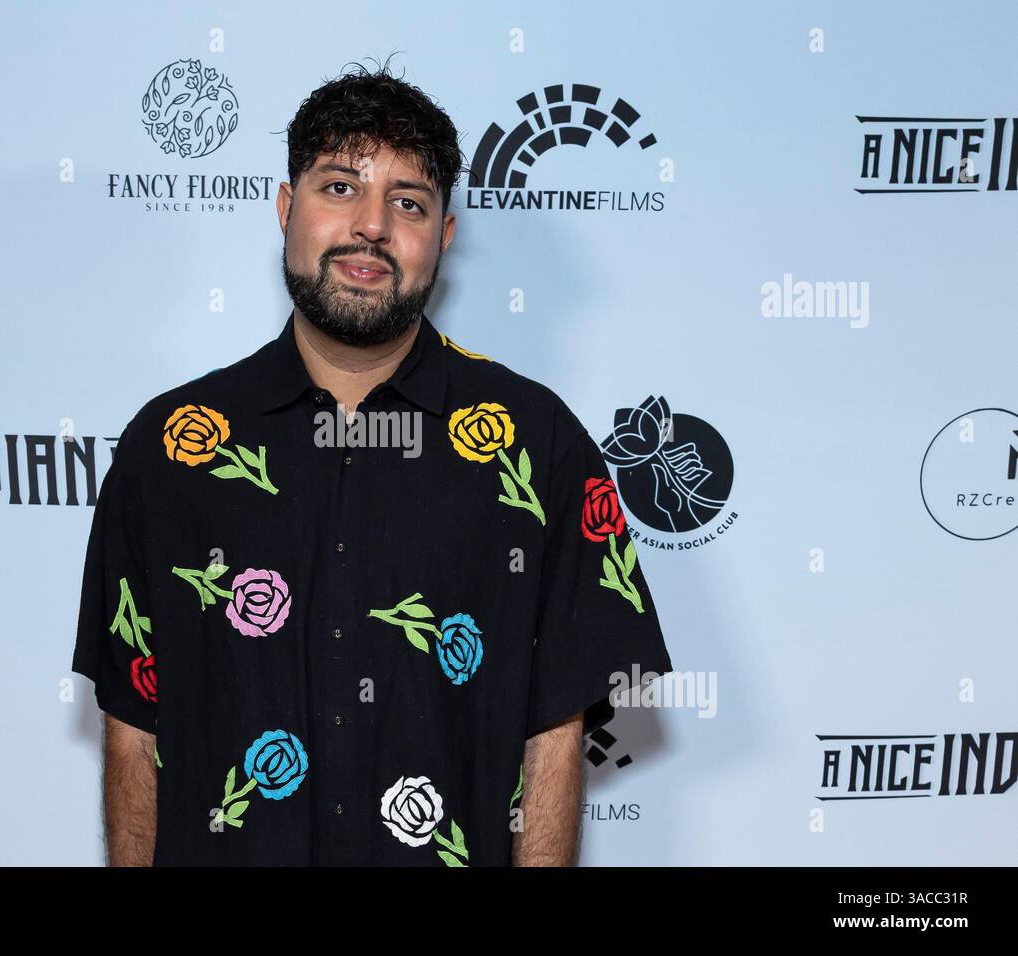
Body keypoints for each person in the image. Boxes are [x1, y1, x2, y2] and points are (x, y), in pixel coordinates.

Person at [71, 60, 673, 866]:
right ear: (286, 209)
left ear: (444, 237)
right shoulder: (169, 447)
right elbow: (133, 727)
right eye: (338, 188)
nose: (371, 227)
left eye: (408, 203)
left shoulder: (539, 445)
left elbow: (555, 738)